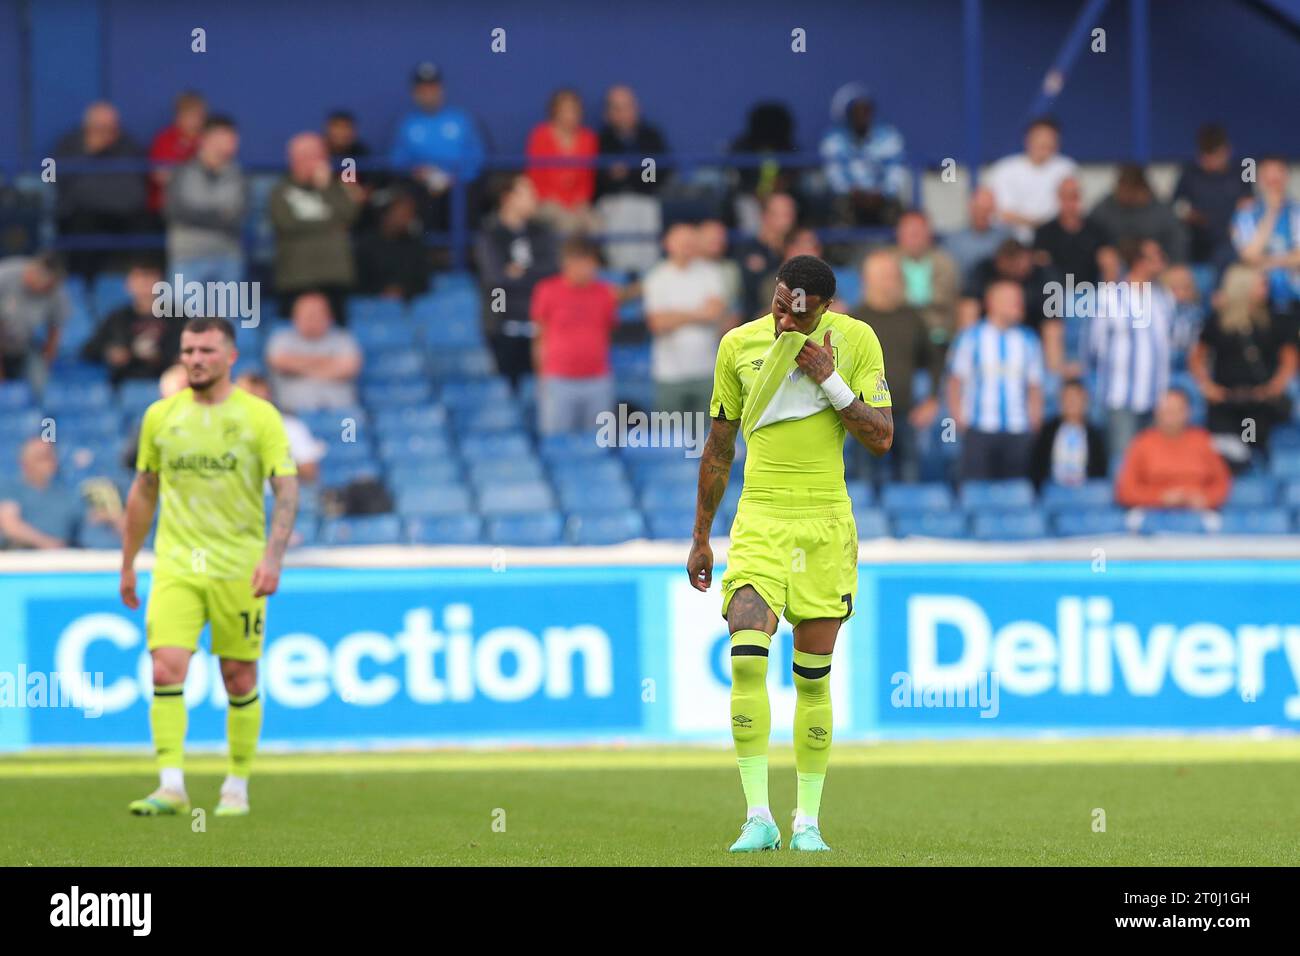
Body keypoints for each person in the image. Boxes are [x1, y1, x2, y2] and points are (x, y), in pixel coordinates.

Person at [687, 254, 892, 853]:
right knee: (747, 656)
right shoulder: (737, 346)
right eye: (779, 302)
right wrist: (701, 534)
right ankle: (758, 815)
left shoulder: (856, 342)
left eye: (798, 312)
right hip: (761, 518)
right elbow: (719, 448)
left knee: (812, 679)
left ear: (824, 308)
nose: (784, 318)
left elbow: (881, 438)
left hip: (825, 523)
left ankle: (807, 821)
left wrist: (830, 379)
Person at [120, 316, 298, 818]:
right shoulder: (160, 416)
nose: (196, 359)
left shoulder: (260, 418)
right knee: (164, 667)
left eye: (206, 350)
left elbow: (286, 489)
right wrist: (129, 562)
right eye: (188, 350)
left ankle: (236, 786)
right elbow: (144, 490)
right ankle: (171, 784)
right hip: (176, 563)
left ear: (230, 357)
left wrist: (273, 558)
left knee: (239, 677)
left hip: (239, 567)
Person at [1189, 265, 1297, 470]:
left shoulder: (1273, 320)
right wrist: (1207, 386)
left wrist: (1276, 386)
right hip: (1226, 401)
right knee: (1226, 452)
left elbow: (1289, 358)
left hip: (1258, 402)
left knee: (1253, 444)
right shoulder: (1218, 320)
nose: (1266, 289)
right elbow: (1197, 357)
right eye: (1261, 285)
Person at [852, 250, 940, 481]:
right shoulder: (853, 321)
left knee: (909, 484)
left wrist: (931, 400)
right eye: (881, 275)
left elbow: (934, 361)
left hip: (905, 414)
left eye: (892, 275)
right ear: (866, 280)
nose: (888, 282)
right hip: (863, 417)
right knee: (863, 484)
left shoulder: (913, 318)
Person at [1083, 239, 1175, 456]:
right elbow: (1093, 347)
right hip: (1121, 397)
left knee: (1155, 465)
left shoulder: (1164, 298)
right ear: (1139, 262)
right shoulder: (1109, 298)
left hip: (1157, 399)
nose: (1162, 261)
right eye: (1156, 257)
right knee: (1123, 463)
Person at [947, 280, 1045, 481]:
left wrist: (1035, 418)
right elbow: (955, 381)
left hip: (1019, 429)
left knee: (1015, 493)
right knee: (976, 491)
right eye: (1013, 301)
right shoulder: (970, 338)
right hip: (979, 429)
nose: (1020, 306)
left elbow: (1035, 385)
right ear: (993, 303)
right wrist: (958, 417)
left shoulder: (1029, 340)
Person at [474, 174, 559, 385]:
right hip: (502, 328)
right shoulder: (490, 235)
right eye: (527, 193)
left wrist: (520, 272)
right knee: (506, 390)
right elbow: (495, 279)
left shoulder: (542, 232)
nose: (535, 198)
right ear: (507, 198)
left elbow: (553, 271)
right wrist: (528, 276)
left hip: (540, 327)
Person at [530, 237, 618, 435]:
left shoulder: (605, 293)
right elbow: (539, 336)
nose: (586, 268)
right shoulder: (547, 290)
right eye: (580, 262)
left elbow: (608, 329)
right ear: (567, 263)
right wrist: (542, 377)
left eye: (590, 262)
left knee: (598, 444)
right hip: (558, 380)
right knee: (557, 442)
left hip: (597, 379)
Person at [268, 132, 358, 323]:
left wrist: (325, 189)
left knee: (337, 337)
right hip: (295, 278)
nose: (314, 163)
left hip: (333, 277)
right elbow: (286, 223)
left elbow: (349, 215)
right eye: (307, 157)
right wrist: (330, 224)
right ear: (293, 160)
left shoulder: (335, 188)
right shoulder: (280, 191)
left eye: (318, 156)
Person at [54, 102, 151, 276]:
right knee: (82, 228)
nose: (106, 132)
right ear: (87, 126)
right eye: (100, 127)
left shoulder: (128, 144)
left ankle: (140, 283)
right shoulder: (69, 144)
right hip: (85, 214)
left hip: (124, 212)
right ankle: (80, 287)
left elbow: (136, 189)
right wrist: (87, 154)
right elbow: (54, 179)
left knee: (147, 225)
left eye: (111, 127)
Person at [390, 62, 486, 230]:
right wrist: (418, 172)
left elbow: (477, 156)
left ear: (440, 90)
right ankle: (432, 253)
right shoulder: (408, 123)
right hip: (423, 186)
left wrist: (454, 178)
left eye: (432, 88)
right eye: (423, 89)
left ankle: (465, 253)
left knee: (466, 201)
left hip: (458, 184)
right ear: (415, 93)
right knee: (416, 203)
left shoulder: (460, 119)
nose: (428, 93)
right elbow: (397, 160)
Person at [644, 223, 727, 413]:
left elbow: (714, 312)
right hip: (669, 374)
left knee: (708, 437)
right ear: (668, 244)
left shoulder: (711, 273)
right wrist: (698, 313)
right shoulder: (657, 277)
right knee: (669, 438)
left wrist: (674, 315)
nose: (686, 246)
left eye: (690, 242)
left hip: (706, 370)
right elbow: (657, 323)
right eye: (681, 242)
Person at [164, 115, 248, 286]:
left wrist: (196, 214)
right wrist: (219, 215)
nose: (234, 143)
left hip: (228, 258)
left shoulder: (239, 176)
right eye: (228, 137)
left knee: (227, 314)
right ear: (207, 139)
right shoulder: (183, 173)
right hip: (187, 257)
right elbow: (175, 211)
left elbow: (237, 217)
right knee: (184, 313)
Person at [1115, 388, 1231, 510]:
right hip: (1153, 515)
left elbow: (1222, 482)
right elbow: (1125, 490)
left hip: (1198, 515)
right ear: (1157, 413)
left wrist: (1206, 499)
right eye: (1166, 411)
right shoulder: (1142, 442)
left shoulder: (1202, 440)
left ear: (1187, 412)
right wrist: (1160, 498)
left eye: (1176, 411)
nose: (1171, 417)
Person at [818, 83, 906, 226]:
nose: (862, 115)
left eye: (866, 110)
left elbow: (896, 171)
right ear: (848, 114)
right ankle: (842, 248)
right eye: (857, 111)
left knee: (897, 213)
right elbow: (833, 173)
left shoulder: (888, 135)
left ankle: (894, 248)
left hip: (881, 197)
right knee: (839, 210)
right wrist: (853, 192)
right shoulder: (833, 138)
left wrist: (882, 192)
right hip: (849, 196)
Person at [81, 261, 180, 384]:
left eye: (149, 279)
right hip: (125, 382)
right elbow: (88, 350)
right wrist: (110, 353)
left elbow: (188, 351)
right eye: (139, 279)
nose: (145, 286)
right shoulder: (117, 318)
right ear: (128, 284)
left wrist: (164, 356)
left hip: (167, 383)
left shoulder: (178, 316)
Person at [265, 293, 363, 413]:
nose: (311, 319)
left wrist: (298, 366)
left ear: (329, 316)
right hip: (292, 415)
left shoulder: (343, 338)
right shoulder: (281, 338)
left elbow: (349, 367)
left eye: (316, 314)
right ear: (294, 317)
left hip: (340, 415)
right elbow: (280, 362)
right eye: (306, 314)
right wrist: (329, 363)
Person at [1173, 124, 1253, 270]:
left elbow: (1251, 201)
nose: (1211, 162)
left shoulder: (1246, 167)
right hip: (1199, 239)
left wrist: (1241, 220)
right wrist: (1189, 214)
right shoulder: (1189, 172)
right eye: (1206, 158)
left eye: (1216, 156)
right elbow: (1176, 204)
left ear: (1227, 151)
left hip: (1233, 240)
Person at [985, 117, 1077, 242]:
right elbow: (1000, 213)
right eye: (1040, 137)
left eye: (1050, 137)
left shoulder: (1067, 168)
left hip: (1055, 239)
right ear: (1028, 139)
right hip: (1010, 240)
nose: (1045, 142)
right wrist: (1037, 224)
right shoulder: (1005, 169)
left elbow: (1072, 209)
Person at [1231, 156, 1300, 315]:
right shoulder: (1246, 213)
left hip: (1294, 288)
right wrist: (1272, 212)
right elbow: (1249, 256)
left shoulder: (1296, 211)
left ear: (1286, 178)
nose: (1273, 185)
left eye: (1277, 180)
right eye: (1269, 180)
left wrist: (1268, 263)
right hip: (1258, 291)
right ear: (1260, 181)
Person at [526, 89, 599, 234]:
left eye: (573, 110)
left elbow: (588, 178)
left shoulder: (589, 138)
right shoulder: (540, 135)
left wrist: (580, 200)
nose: (570, 115)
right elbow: (535, 176)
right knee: (568, 225)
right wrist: (556, 201)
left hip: (578, 203)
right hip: (548, 202)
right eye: (565, 110)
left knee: (596, 226)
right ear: (554, 111)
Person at [236, 372, 324, 485]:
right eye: (247, 394)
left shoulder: (291, 427)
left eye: (257, 394)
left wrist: (276, 461)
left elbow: (310, 472)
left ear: (268, 395)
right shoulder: (224, 427)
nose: (253, 401)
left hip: (279, 494)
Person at [1089, 164, 1189, 264]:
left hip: (1154, 267)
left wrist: (1164, 259)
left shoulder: (1161, 212)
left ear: (1141, 190)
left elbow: (1178, 242)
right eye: (1121, 187)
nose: (1123, 194)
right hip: (1119, 267)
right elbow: (1090, 233)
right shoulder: (1107, 207)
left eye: (1127, 189)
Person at [891, 210, 960, 349]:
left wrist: (907, 297)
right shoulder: (887, 262)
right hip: (898, 333)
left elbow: (943, 298)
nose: (915, 238)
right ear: (899, 235)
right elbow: (888, 297)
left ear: (929, 235)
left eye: (919, 233)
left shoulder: (945, 262)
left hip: (937, 333)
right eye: (910, 233)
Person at [1033, 177, 1116, 288]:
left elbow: (1108, 258)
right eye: (1065, 198)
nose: (1070, 203)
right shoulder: (1045, 232)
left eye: (1074, 197)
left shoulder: (1097, 230)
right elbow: (1040, 265)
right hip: (1056, 293)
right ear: (1058, 199)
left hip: (1091, 289)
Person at [0, 438, 82, 549]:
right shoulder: (10, 489)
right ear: (24, 462)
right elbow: (10, 525)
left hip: (64, 560)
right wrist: (47, 544)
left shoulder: (66, 494)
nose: (49, 462)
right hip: (21, 558)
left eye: (51, 456)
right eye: (42, 457)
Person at [0, 253, 69, 383]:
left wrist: (46, 363)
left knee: (39, 381)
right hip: (3, 341)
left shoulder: (55, 290)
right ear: (33, 272)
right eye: (46, 285)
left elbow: (55, 330)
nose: (48, 290)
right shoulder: (4, 276)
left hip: (23, 346)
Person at [354, 188, 431, 300]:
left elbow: (423, 282)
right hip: (371, 306)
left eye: (409, 214)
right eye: (401, 213)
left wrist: (403, 291)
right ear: (385, 214)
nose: (407, 218)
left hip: (408, 307)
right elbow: (358, 282)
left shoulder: (415, 245)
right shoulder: (366, 245)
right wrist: (382, 291)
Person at [1029, 379, 1108, 487]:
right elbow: (1036, 468)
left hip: (1086, 494)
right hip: (1053, 493)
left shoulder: (1095, 435)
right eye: (1067, 398)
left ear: (1084, 400)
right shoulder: (1047, 432)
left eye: (1075, 398)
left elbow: (1100, 471)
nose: (1071, 403)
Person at [595, 85, 669, 198]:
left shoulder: (651, 137)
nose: (623, 114)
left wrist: (627, 172)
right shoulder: (601, 140)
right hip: (611, 200)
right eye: (616, 108)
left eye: (627, 107)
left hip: (646, 199)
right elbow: (598, 180)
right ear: (607, 114)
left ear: (637, 109)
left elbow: (653, 177)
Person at [735, 192, 797, 321]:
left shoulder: (797, 247)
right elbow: (750, 290)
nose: (786, 219)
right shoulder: (748, 249)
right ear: (765, 215)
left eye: (789, 213)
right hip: (757, 319)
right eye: (780, 213)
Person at [148, 92, 207, 214]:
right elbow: (160, 176)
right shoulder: (165, 139)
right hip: (166, 206)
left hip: (201, 205)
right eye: (189, 114)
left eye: (198, 115)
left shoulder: (208, 140)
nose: (195, 120)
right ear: (178, 115)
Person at [944, 187, 1012, 287]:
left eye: (987, 210)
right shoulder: (952, 242)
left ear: (994, 210)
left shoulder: (1005, 238)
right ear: (970, 208)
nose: (982, 214)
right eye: (978, 208)